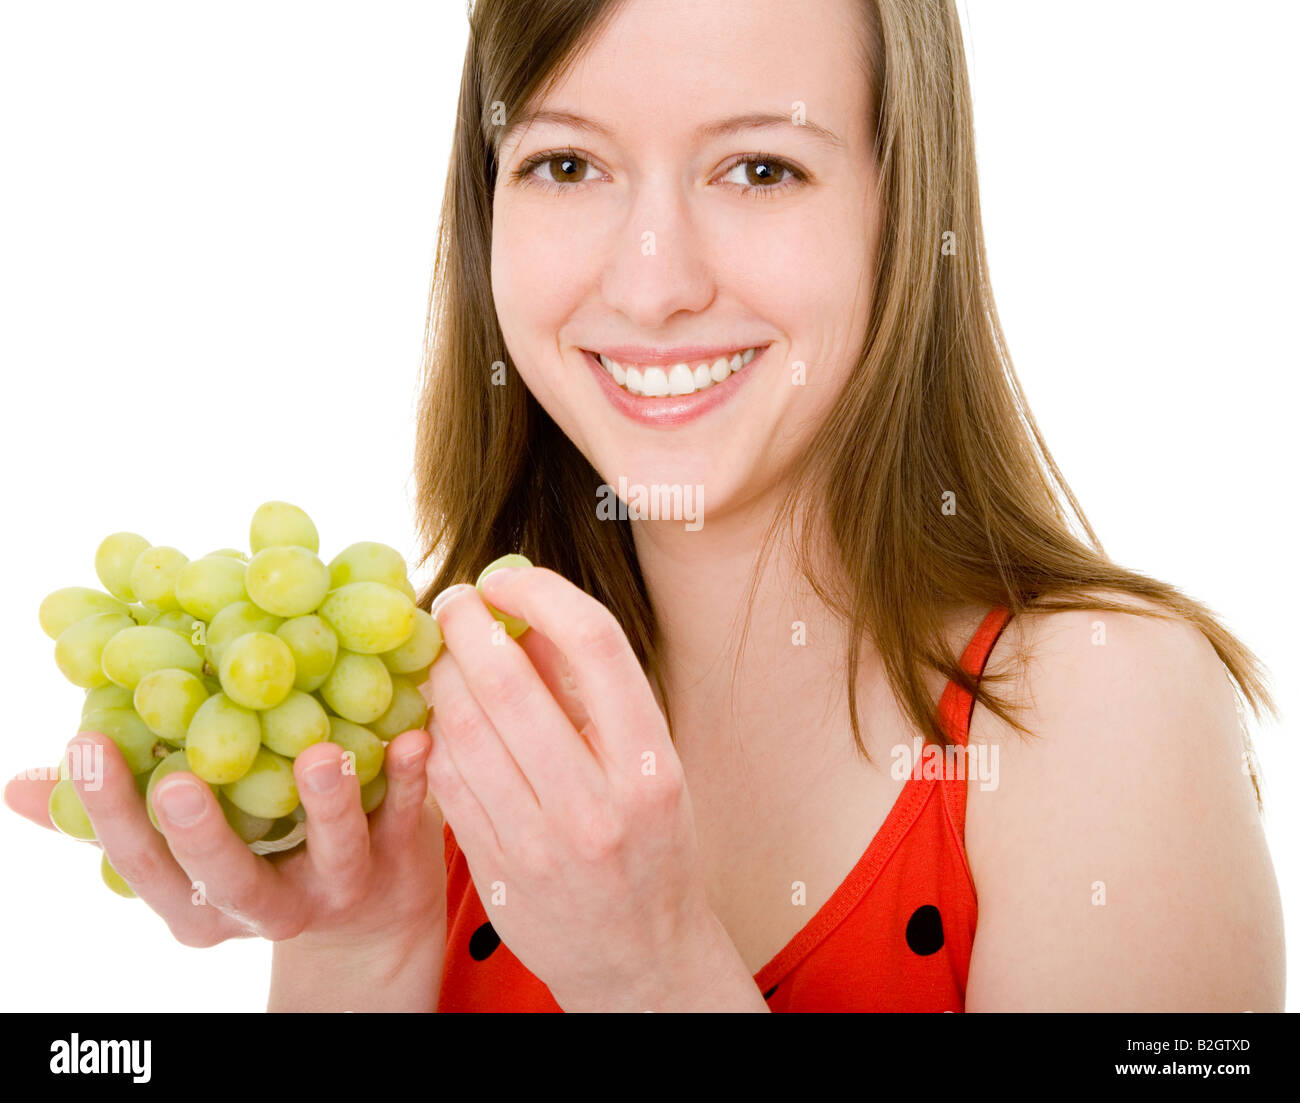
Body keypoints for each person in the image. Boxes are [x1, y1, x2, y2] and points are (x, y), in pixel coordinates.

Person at [6, 0, 1285, 1012]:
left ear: (906, 208)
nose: (653, 279)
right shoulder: (434, 729)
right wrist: (359, 948)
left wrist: (650, 976)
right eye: (566, 162)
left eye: (760, 170)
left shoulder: (1103, 707)